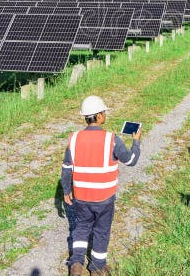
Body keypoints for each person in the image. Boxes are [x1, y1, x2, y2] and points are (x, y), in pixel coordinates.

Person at [61, 95, 142, 276]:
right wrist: (136, 142)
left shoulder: (73, 139)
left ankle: (76, 263)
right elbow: (131, 160)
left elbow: (66, 168)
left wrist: (67, 190)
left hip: (81, 196)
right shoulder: (112, 139)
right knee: (101, 231)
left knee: (81, 227)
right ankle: (97, 267)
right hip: (104, 198)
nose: (105, 114)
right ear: (98, 116)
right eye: (104, 112)